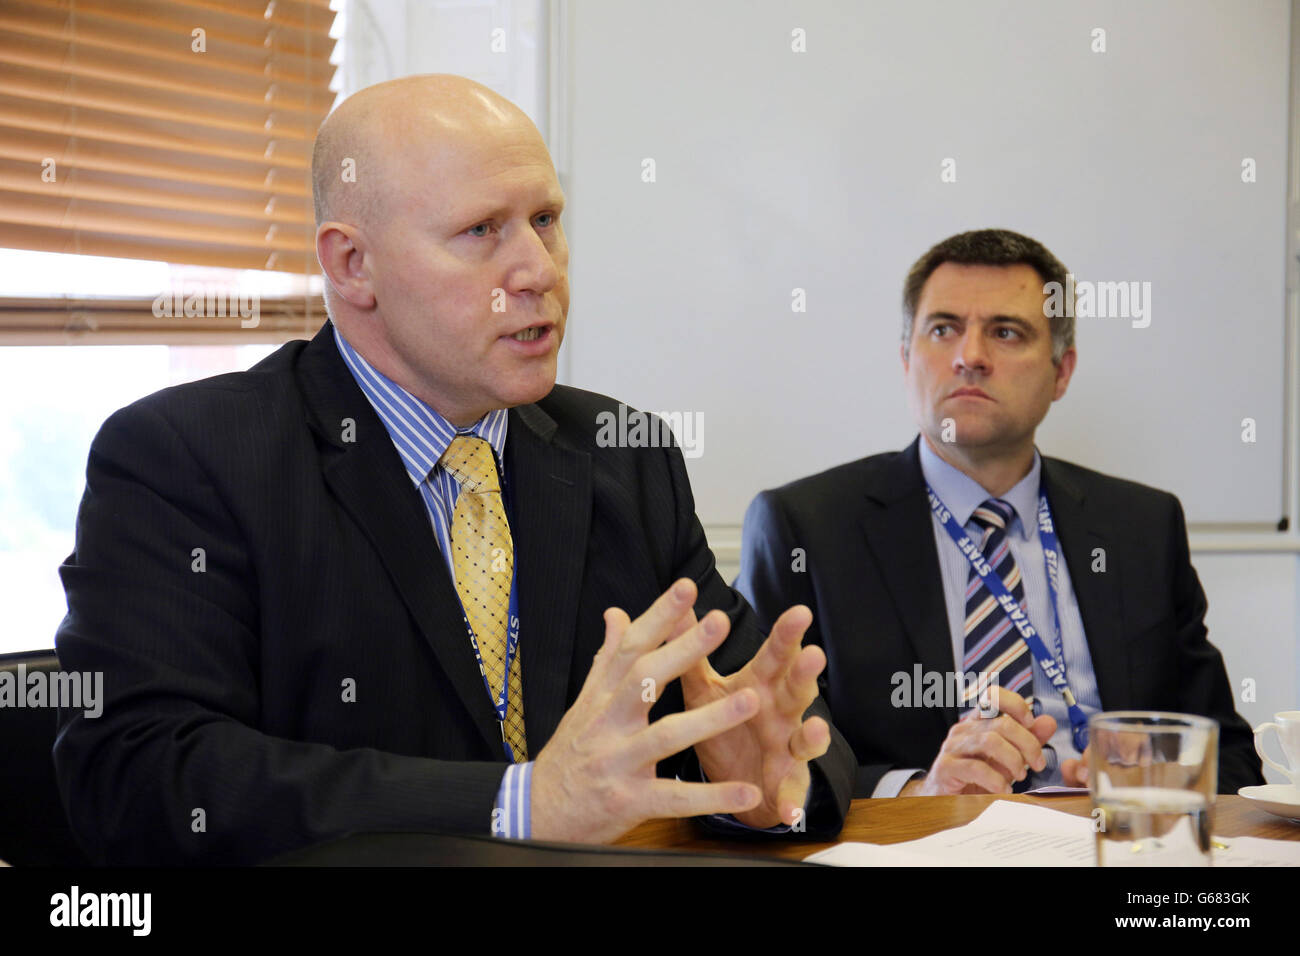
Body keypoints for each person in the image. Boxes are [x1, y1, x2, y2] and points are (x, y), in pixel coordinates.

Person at [51, 74, 854, 865]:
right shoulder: (188, 456)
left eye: (546, 220)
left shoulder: (622, 453)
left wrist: (756, 788)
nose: (539, 269)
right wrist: (516, 806)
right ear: (352, 265)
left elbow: (770, 723)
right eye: (481, 231)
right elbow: (140, 776)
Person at [735, 229, 1264, 799]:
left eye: (1006, 332)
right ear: (906, 358)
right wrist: (918, 793)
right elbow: (760, 760)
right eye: (943, 329)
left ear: (1062, 373)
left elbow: (1231, 760)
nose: (970, 358)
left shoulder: (1141, 527)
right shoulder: (806, 527)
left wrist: (1157, 781)